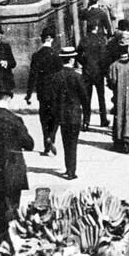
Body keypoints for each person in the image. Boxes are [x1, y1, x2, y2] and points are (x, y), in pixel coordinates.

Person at [49, 46, 85, 180]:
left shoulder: (56, 77)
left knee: (66, 142)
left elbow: (53, 98)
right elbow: (84, 97)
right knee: (73, 143)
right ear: (71, 59)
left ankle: (68, 168)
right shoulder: (77, 76)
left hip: (62, 114)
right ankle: (71, 171)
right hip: (75, 114)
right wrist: (86, 116)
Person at [28, 27, 61, 154]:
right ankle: (51, 137)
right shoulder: (56, 55)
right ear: (52, 39)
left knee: (44, 117)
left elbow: (32, 76)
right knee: (55, 116)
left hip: (42, 91)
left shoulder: (36, 56)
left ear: (42, 39)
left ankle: (46, 141)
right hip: (54, 91)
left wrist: (29, 94)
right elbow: (60, 75)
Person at [76, 25, 109, 129]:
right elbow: (104, 57)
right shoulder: (101, 40)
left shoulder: (83, 40)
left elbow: (78, 54)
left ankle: (86, 122)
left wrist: (84, 63)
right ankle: (103, 120)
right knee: (101, 97)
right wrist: (104, 71)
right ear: (95, 28)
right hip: (98, 72)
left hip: (87, 72)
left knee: (86, 98)